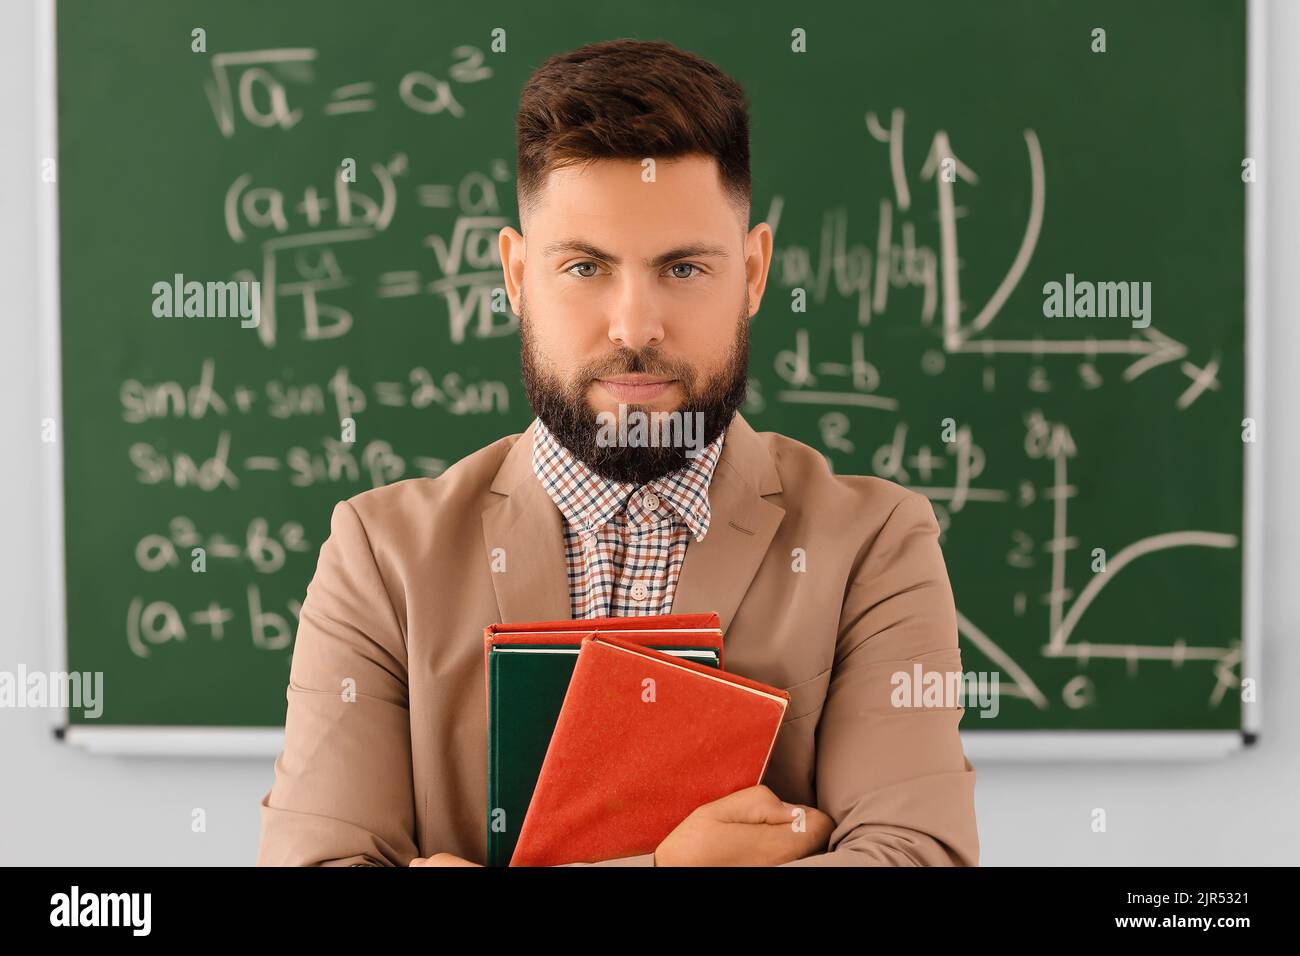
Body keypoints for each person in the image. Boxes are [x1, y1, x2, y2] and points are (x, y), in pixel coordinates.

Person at [257, 38, 978, 867]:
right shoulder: (380, 558)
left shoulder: (874, 546)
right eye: (586, 266)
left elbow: (916, 858)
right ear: (518, 275)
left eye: (681, 267)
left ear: (752, 271)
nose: (635, 326)